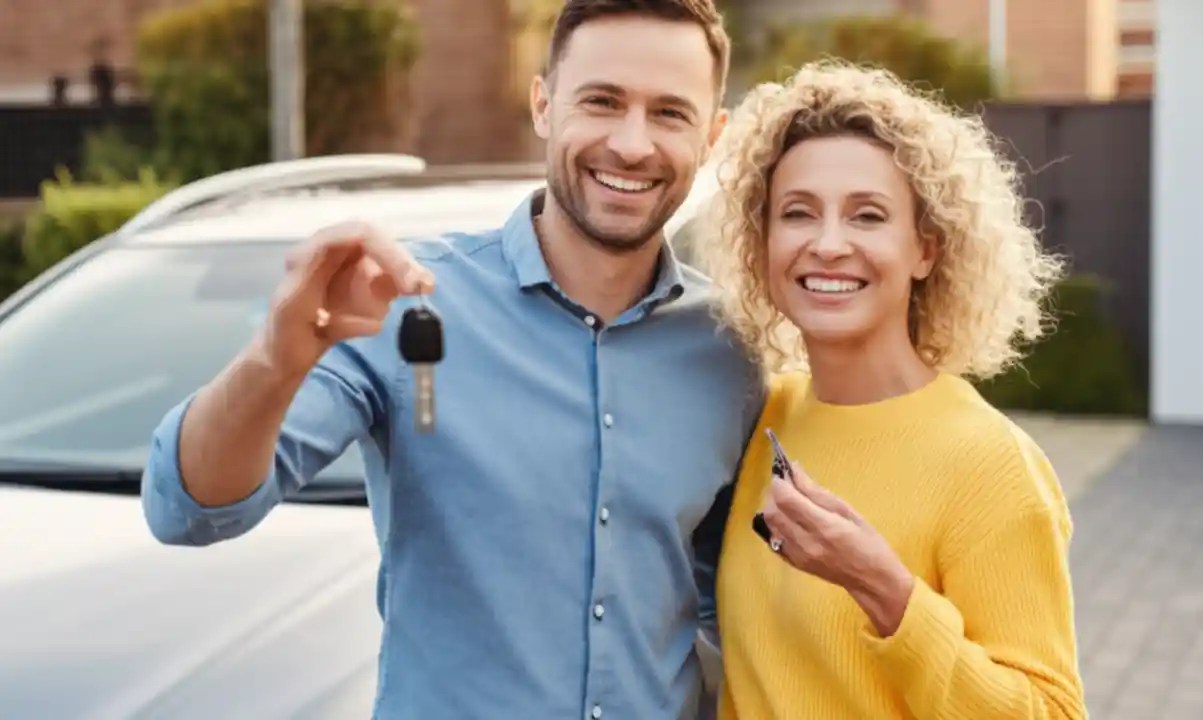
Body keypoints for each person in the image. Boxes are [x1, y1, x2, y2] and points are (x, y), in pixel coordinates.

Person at [140, 1, 763, 717]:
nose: (631, 143)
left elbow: (735, 606)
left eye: (669, 114)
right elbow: (186, 511)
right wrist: (272, 364)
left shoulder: (730, 351)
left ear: (712, 136)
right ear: (543, 105)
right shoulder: (401, 302)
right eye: (602, 102)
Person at [698, 60, 1088, 719]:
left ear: (926, 251)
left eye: (867, 216)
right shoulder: (768, 415)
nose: (827, 244)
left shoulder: (990, 465)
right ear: (762, 243)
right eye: (798, 213)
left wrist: (884, 590)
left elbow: (1051, 710)